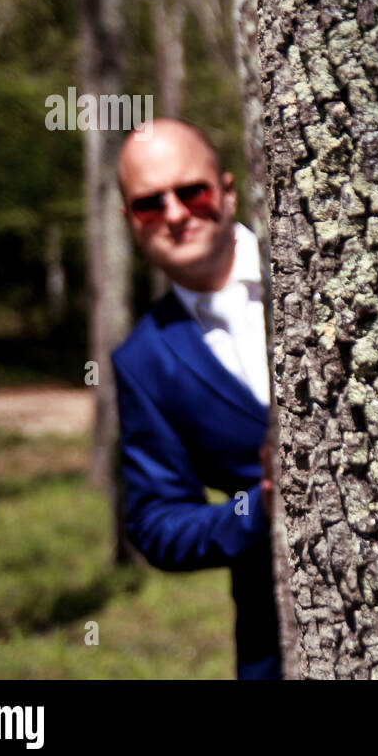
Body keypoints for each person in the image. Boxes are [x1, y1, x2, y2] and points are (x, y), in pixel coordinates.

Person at [111, 118, 282, 680]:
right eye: (149, 204)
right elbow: (158, 522)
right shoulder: (142, 361)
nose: (177, 214)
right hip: (285, 625)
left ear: (228, 191)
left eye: (192, 191)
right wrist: (251, 509)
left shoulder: (323, 263)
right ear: (130, 222)